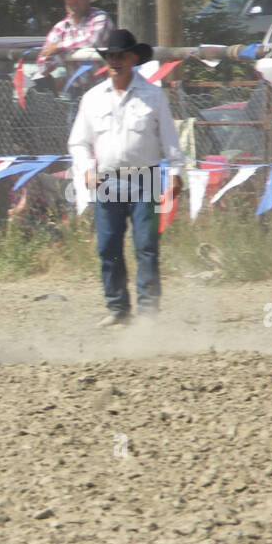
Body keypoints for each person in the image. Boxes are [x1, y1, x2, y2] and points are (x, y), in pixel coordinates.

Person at [69, 29, 183, 327]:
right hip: (106, 180)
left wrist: (176, 172)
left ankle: (147, 313)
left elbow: (170, 140)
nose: (115, 61)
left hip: (144, 178)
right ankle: (118, 309)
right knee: (108, 247)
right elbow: (78, 142)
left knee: (146, 246)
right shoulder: (92, 99)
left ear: (133, 59)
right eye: (111, 56)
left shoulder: (153, 96)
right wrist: (86, 169)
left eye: (121, 56)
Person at [36, 0, 113, 87]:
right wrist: (55, 56)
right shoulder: (60, 27)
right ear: (65, 1)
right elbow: (42, 65)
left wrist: (59, 48)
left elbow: (91, 41)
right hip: (74, 92)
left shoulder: (100, 17)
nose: (73, 2)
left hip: (103, 89)